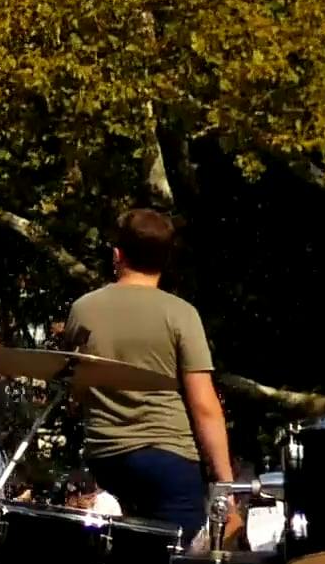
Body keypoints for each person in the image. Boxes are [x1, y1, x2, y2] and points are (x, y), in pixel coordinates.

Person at [63, 207, 233, 539]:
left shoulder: (83, 309)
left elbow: (76, 388)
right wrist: (225, 486)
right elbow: (204, 405)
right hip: (168, 456)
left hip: (106, 458)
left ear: (117, 254)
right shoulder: (181, 314)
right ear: (166, 260)